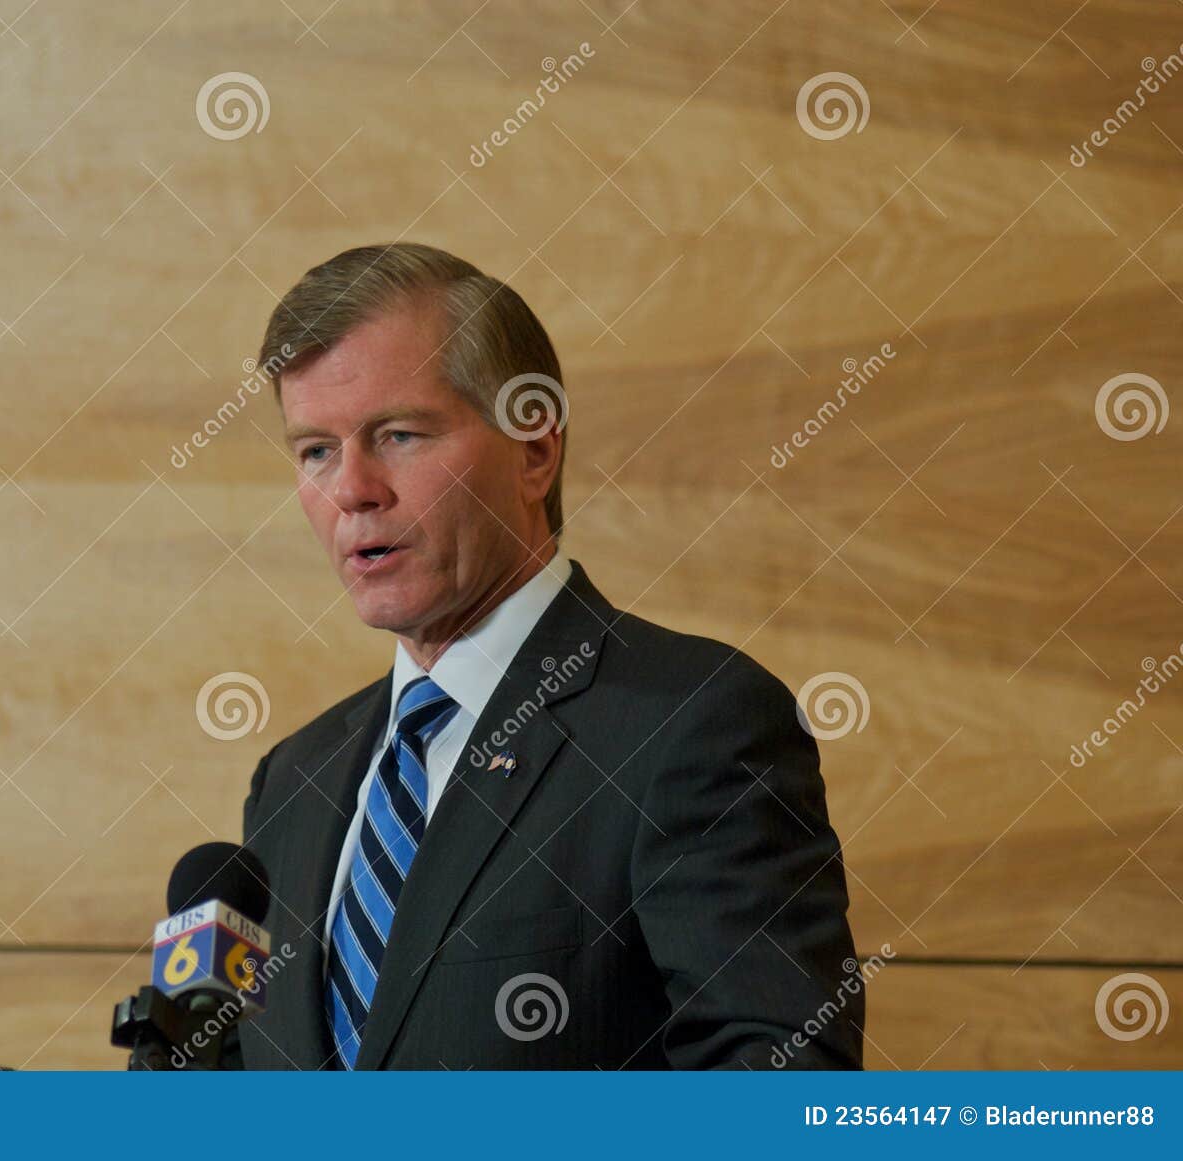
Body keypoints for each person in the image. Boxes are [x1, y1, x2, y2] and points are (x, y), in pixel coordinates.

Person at [229, 242, 861, 1070]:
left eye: (399, 434)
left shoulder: (689, 723)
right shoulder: (292, 781)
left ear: (534, 451)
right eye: (315, 450)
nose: (352, 488)